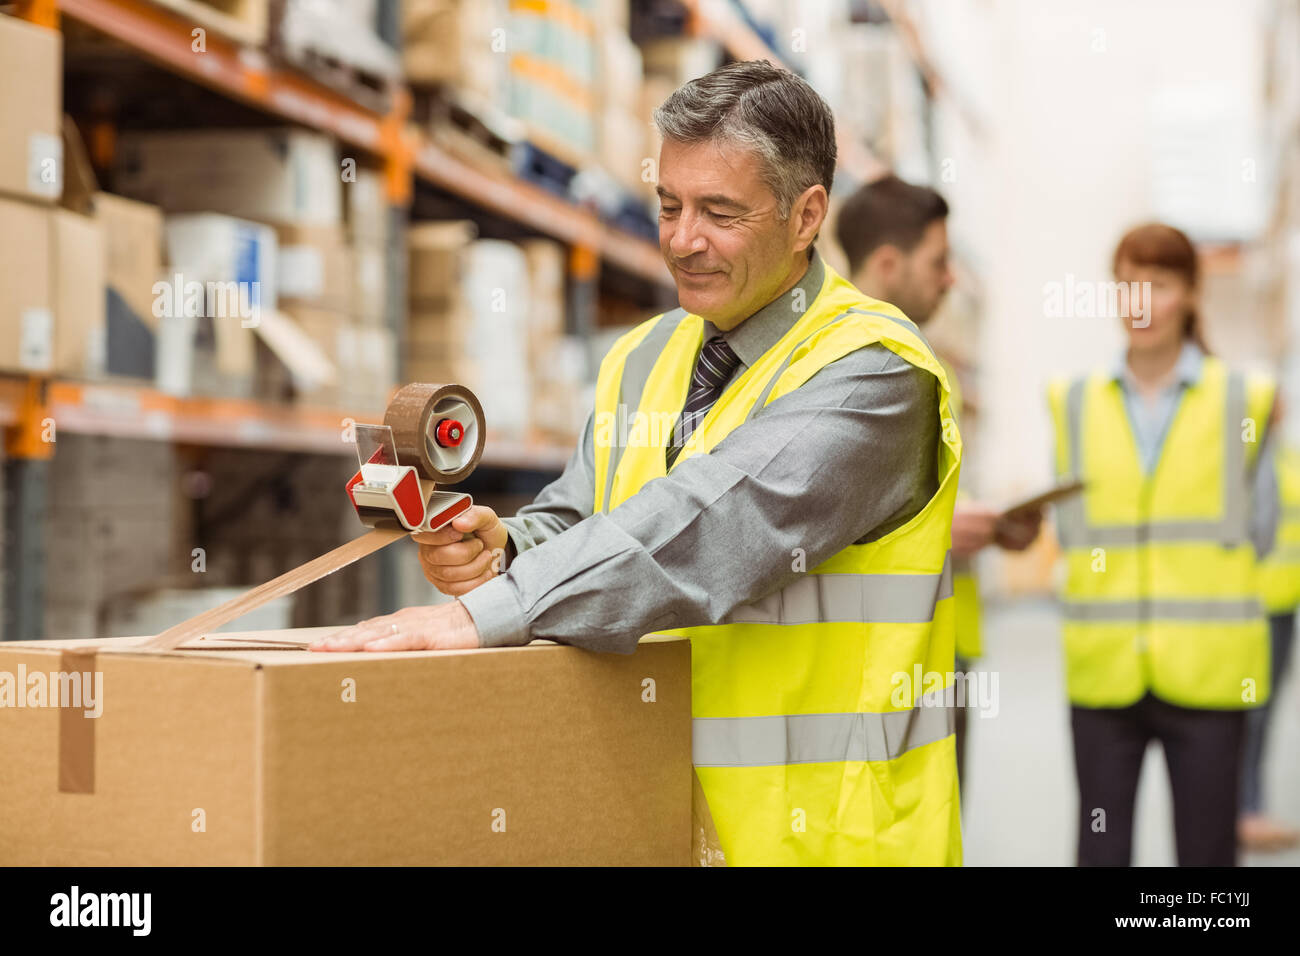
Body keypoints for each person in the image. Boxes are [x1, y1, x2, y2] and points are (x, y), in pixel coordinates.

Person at [314, 60, 965, 866]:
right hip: (650, 814)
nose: (682, 240)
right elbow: (588, 511)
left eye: (719, 213)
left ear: (807, 217)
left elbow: (711, 523)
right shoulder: (644, 355)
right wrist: (508, 549)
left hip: (820, 835)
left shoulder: (874, 372)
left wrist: (486, 613)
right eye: (668, 206)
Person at [1047, 222, 1280, 867]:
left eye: (1159, 285)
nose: (1140, 303)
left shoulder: (1246, 400)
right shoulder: (1071, 401)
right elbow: (1068, 531)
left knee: (1205, 868)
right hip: (1105, 674)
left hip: (1208, 675)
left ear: (1192, 294)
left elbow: (1259, 530)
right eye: (1127, 286)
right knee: (1100, 852)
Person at [835, 175, 1042, 789]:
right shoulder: (836, 367)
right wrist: (941, 532)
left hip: (942, 636)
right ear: (889, 262)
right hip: (880, 651)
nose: (950, 278)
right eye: (939, 261)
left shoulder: (924, 360)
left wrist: (986, 523)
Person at [1240, 441, 1300, 850]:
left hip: (1284, 604)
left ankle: (1251, 809)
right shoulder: (1241, 451)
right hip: (1249, 605)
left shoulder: (1287, 457)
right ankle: (1245, 810)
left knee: (1266, 714)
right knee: (1250, 715)